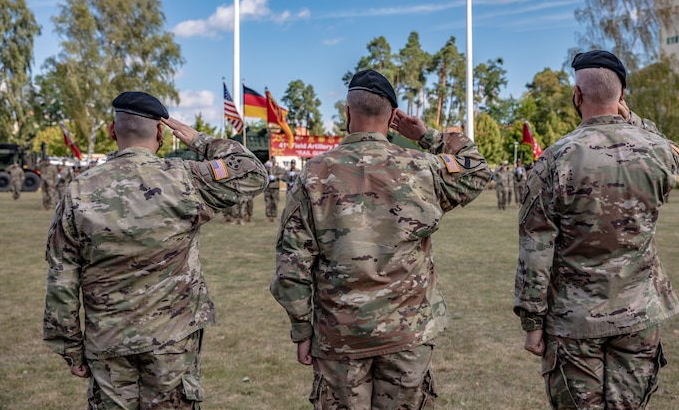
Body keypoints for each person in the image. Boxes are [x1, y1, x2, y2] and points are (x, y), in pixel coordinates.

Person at [270, 69, 490, 409]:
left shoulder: (313, 174)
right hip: (407, 333)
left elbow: (292, 265)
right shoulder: (421, 167)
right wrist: (427, 135)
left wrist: (302, 329)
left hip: (340, 334)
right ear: (392, 118)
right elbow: (476, 169)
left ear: (346, 114)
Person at [43, 91, 267, 409]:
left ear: (112, 130)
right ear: (160, 133)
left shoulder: (79, 190)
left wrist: (69, 346)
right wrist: (199, 139)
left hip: (108, 342)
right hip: (171, 342)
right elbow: (253, 171)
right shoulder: (185, 178)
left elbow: (61, 276)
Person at [514, 50, 679, 410]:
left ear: (576, 96)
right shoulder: (656, 151)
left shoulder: (554, 159)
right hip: (638, 314)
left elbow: (536, 249)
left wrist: (533, 322)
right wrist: (632, 119)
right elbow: (677, 156)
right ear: (622, 97)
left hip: (574, 320)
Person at [264, 157, 286, 222]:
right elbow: (263, 173)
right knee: (268, 202)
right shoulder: (267, 167)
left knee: (275, 202)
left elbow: (282, 174)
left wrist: (275, 177)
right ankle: (268, 216)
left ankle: (274, 216)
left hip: (275, 187)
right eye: (271, 159)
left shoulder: (278, 168)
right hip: (268, 187)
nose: (272, 160)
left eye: (273, 159)